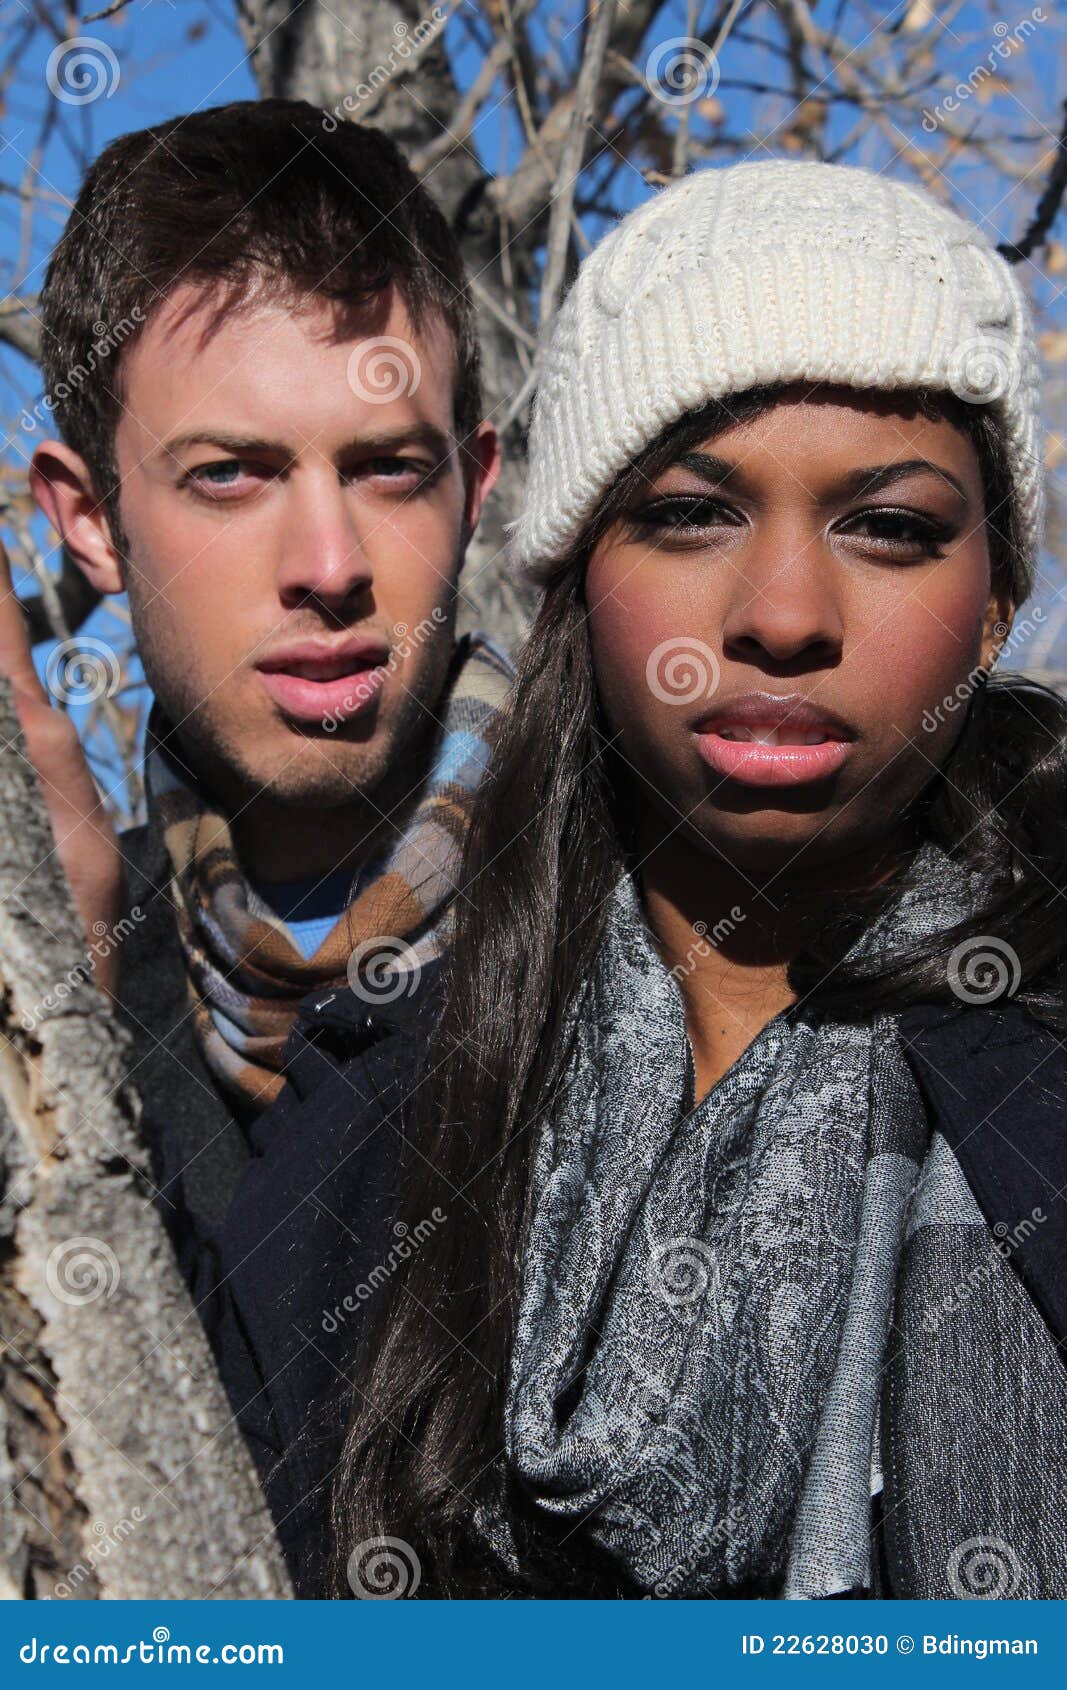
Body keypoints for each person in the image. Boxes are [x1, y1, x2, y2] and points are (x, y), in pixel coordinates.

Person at [162, 158, 1067, 1601]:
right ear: (573, 573)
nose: (781, 615)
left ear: (994, 603)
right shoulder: (377, 1106)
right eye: (690, 513)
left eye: (887, 526)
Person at [12, 99, 511, 1240]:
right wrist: (50, 989)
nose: (328, 565)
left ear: (472, 488)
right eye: (230, 476)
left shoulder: (662, 912)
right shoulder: (92, 959)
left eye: (388, 468)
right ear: (89, 520)